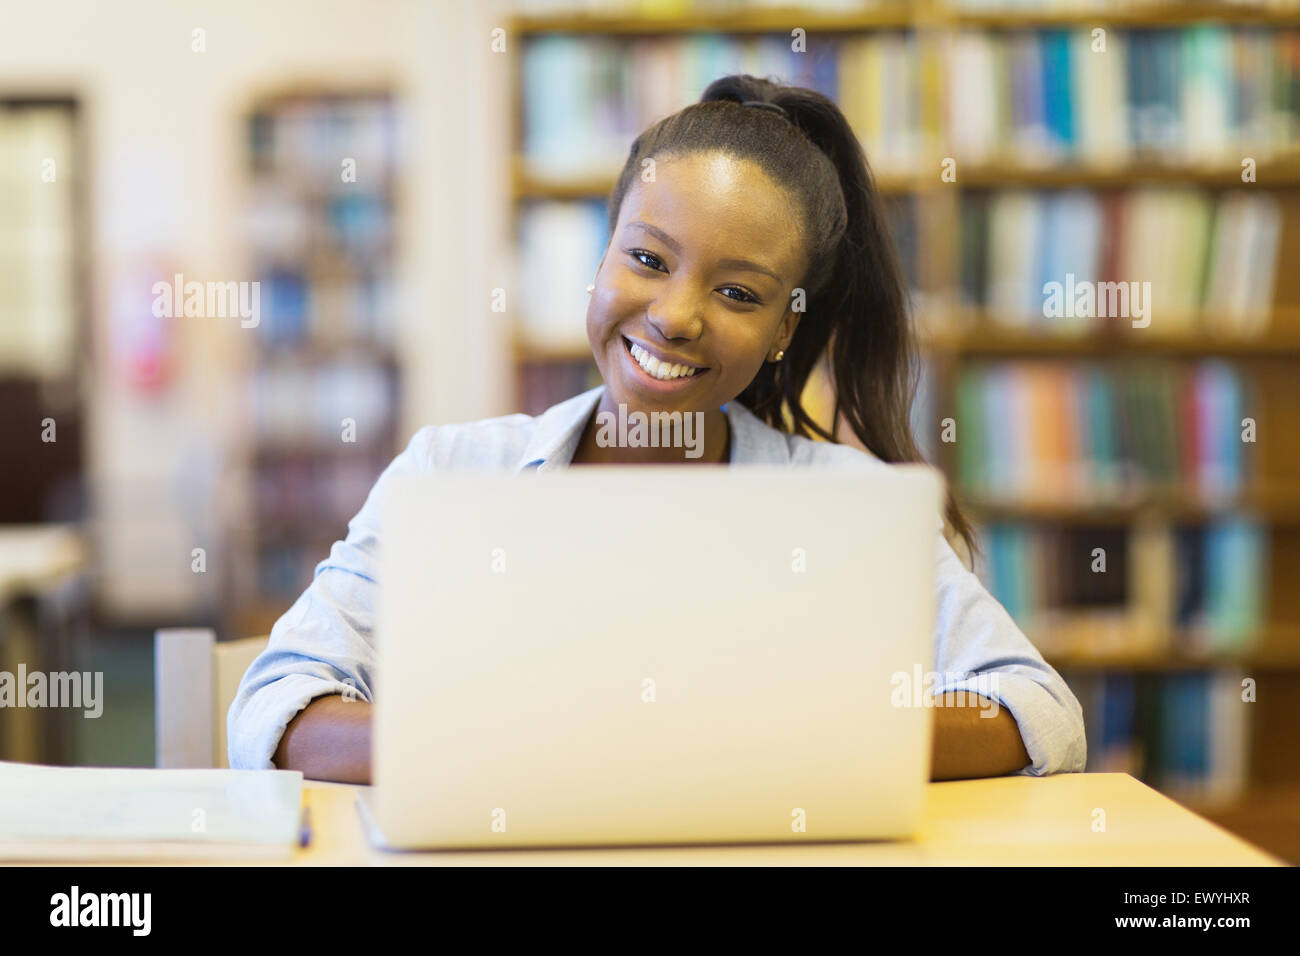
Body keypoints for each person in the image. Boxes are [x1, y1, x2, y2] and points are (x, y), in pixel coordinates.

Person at [228, 74, 1086, 784]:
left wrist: (780, 740)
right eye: (647, 259)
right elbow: (276, 702)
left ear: (785, 328)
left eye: (739, 293)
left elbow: (1037, 712)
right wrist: (486, 748)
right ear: (602, 257)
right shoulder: (451, 470)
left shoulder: (848, 504)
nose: (675, 317)